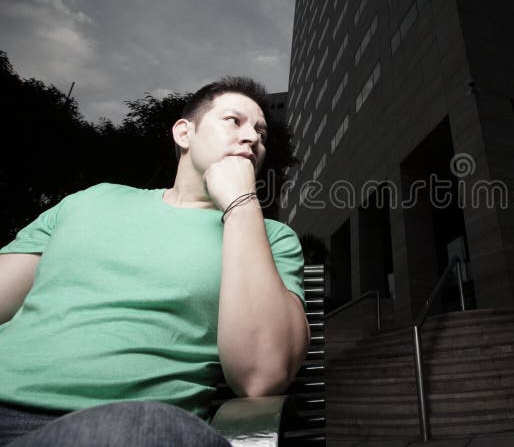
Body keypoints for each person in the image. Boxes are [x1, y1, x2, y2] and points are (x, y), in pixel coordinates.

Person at [0, 77, 309, 446]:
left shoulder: (269, 237)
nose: (252, 138)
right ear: (184, 133)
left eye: (261, 132)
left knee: (144, 424)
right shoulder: (90, 201)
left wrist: (241, 205)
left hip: (130, 425)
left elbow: (262, 376)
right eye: (234, 121)